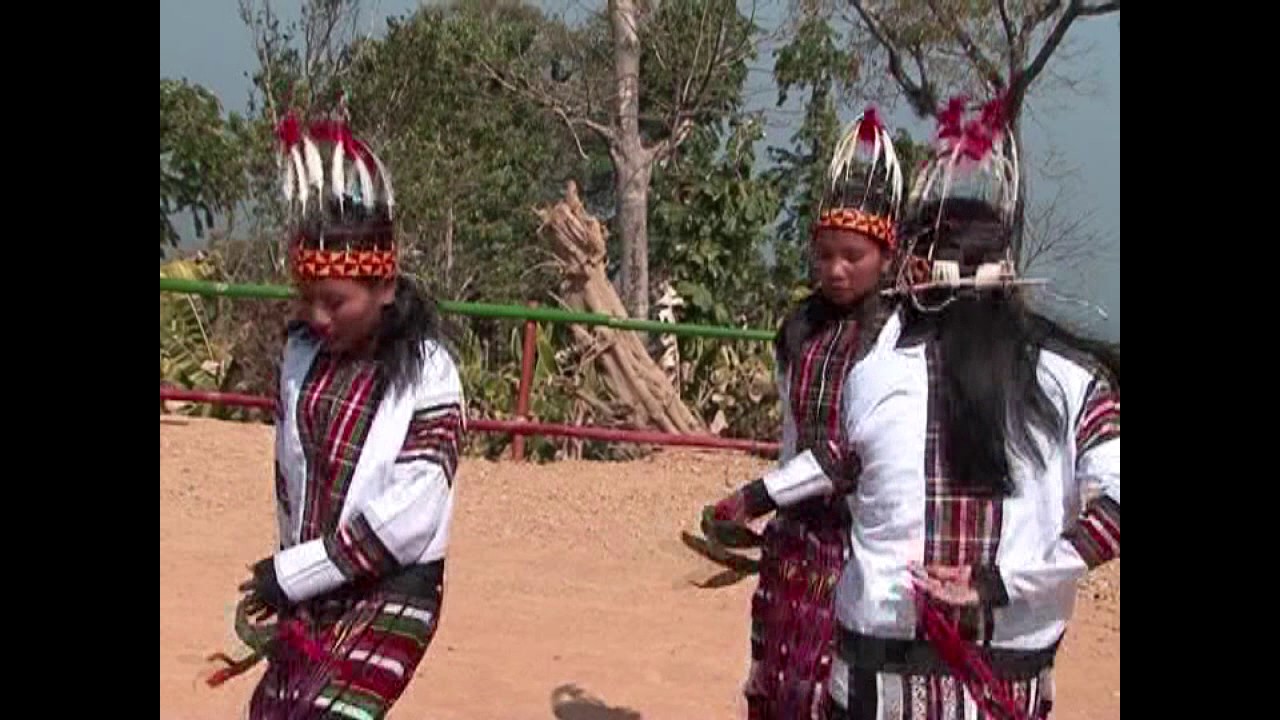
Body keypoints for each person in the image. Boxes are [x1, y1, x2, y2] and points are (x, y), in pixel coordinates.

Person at [731, 96, 1120, 720]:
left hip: (873, 673)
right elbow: (1114, 514)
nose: (835, 270)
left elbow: (837, 462)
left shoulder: (878, 368)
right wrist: (1003, 581)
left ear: (909, 272)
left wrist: (754, 497)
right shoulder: (1077, 379)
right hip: (1009, 678)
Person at [213, 111, 465, 720]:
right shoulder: (301, 355)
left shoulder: (431, 374)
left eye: (335, 302)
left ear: (383, 288)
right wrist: (297, 577)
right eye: (308, 299)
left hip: (393, 591)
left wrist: (292, 573)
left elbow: (409, 518)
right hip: (315, 591)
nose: (319, 317)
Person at [703, 108, 905, 720]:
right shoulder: (800, 326)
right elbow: (796, 437)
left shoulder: (898, 335)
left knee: (830, 684)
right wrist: (773, 505)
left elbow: (851, 449)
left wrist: (759, 495)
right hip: (795, 538)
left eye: (853, 255)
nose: (836, 270)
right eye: (824, 256)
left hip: (857, 538)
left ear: (886, 254)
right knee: (775, 674)